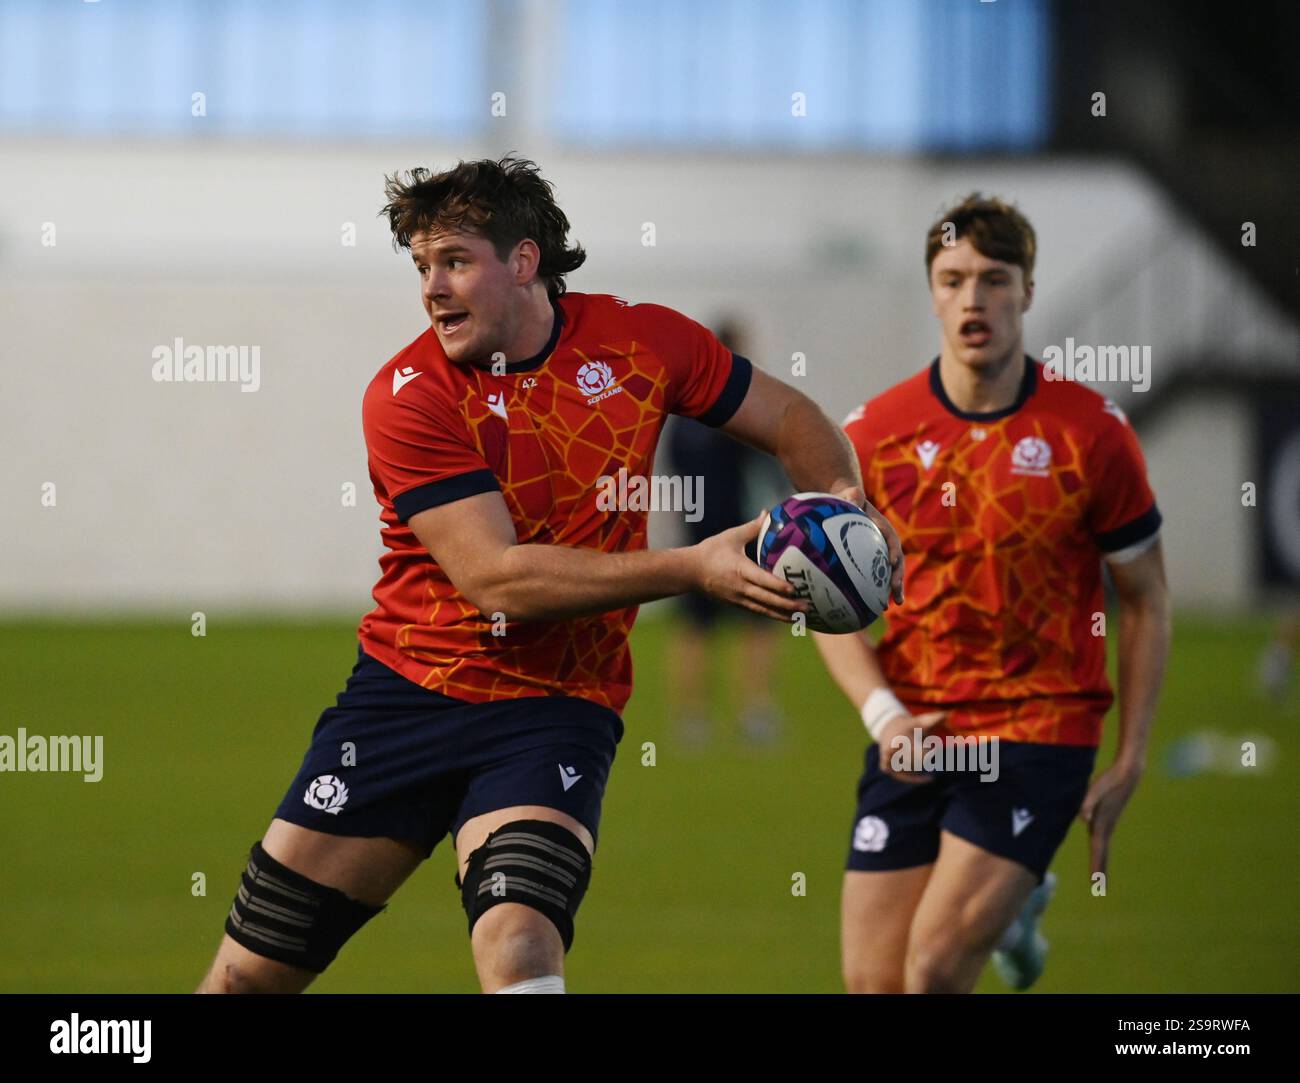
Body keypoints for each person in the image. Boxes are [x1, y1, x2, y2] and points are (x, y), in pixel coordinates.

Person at [196, 156, 902, 994]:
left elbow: (790, 417)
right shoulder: (408, 395)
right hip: (405, 697)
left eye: (454, 260)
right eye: (422, 265)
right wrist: (694, 566)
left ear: (524, 261)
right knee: (247, 980)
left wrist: (847, 501)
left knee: (522, 946)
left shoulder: (645, 342)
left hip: (553, 710)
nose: (432, 287)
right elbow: (497, 579)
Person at [814, 194, 1170, 994]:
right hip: (917, 733)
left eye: (995, 278)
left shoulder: (1091, 434)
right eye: (953, 278)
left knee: (934, 966)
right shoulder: (872, 438)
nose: (974, 298)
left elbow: (1147, 597)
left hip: (1039, 727)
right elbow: (829, 607)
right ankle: (1015, 909)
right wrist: (886, 716)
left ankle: (1005, 903)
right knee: (876, 984)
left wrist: (1132, 755)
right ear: (933, 291)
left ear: (1028, 290)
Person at [663, 318, 788, 746]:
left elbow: (671, 471)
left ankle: (692, 719)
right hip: (740, 535)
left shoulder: (681, 415)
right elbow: (767, 461)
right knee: (759, 623)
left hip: (695, 539)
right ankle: (755, 711)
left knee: (696, 629)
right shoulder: (733, 410)